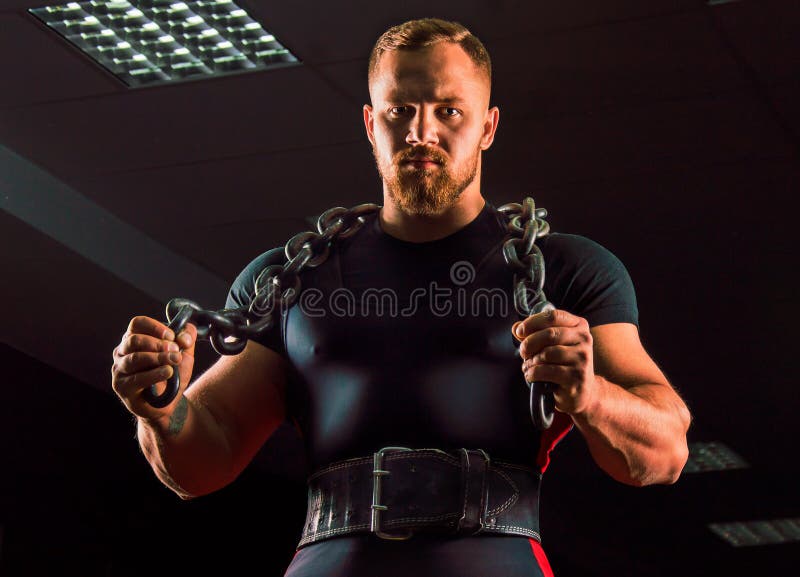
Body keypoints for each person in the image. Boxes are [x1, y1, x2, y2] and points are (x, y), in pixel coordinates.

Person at [111, 17, 692, 577]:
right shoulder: (291, 279)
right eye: (400, 110)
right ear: (371, 123)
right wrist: (160, 410)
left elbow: (663, 454)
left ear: (487, 127)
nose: (421, 132)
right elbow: (202, 464)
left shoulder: (567, 271)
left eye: (448, 111)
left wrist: (590, 396)